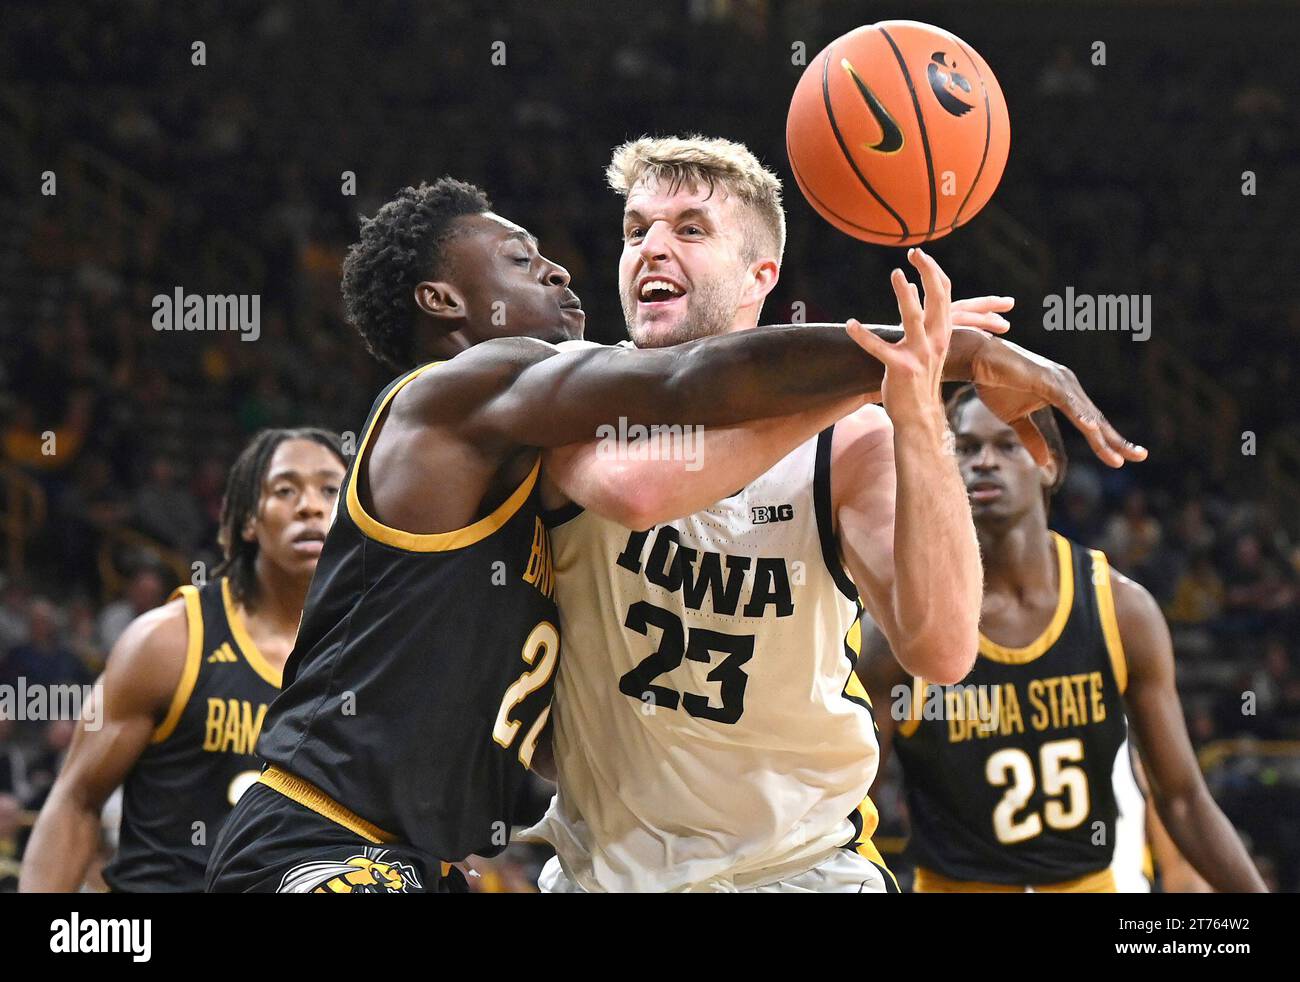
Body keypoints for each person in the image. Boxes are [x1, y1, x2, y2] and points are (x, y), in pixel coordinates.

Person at [207, 176, 1122, 894]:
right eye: (524, 263)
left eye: (689, 229)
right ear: (447, 302)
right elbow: (681, 394)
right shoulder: (461, 394)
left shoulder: (520, 450)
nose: (560, 270)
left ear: (759, 273)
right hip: (322, 837)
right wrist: (932, 354)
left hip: (427, 857)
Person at [522, 136, 1145, 893]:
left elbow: (941, 650)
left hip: (802, 868)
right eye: (635, 229)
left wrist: (915, 414)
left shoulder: (850, 442)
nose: (651, 247)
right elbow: (640, 495)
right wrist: (866, 375)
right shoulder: (576, 391)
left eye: (690, 229)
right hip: (605, 872)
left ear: (762, 275)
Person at [858, 386, 1265, 892]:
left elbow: (1182, 798)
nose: (985, 461)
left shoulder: (1122, 611)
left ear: (1049, 465)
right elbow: (851, 808)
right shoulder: (900, 629)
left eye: (1009, 445)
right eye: (964, 447)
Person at [20, 428, 346, 892]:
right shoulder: (169, 639)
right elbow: (76, 801)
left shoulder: (364, 659)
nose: (311, 505)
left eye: (330, 490)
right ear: (249, 520)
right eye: (285, 489)